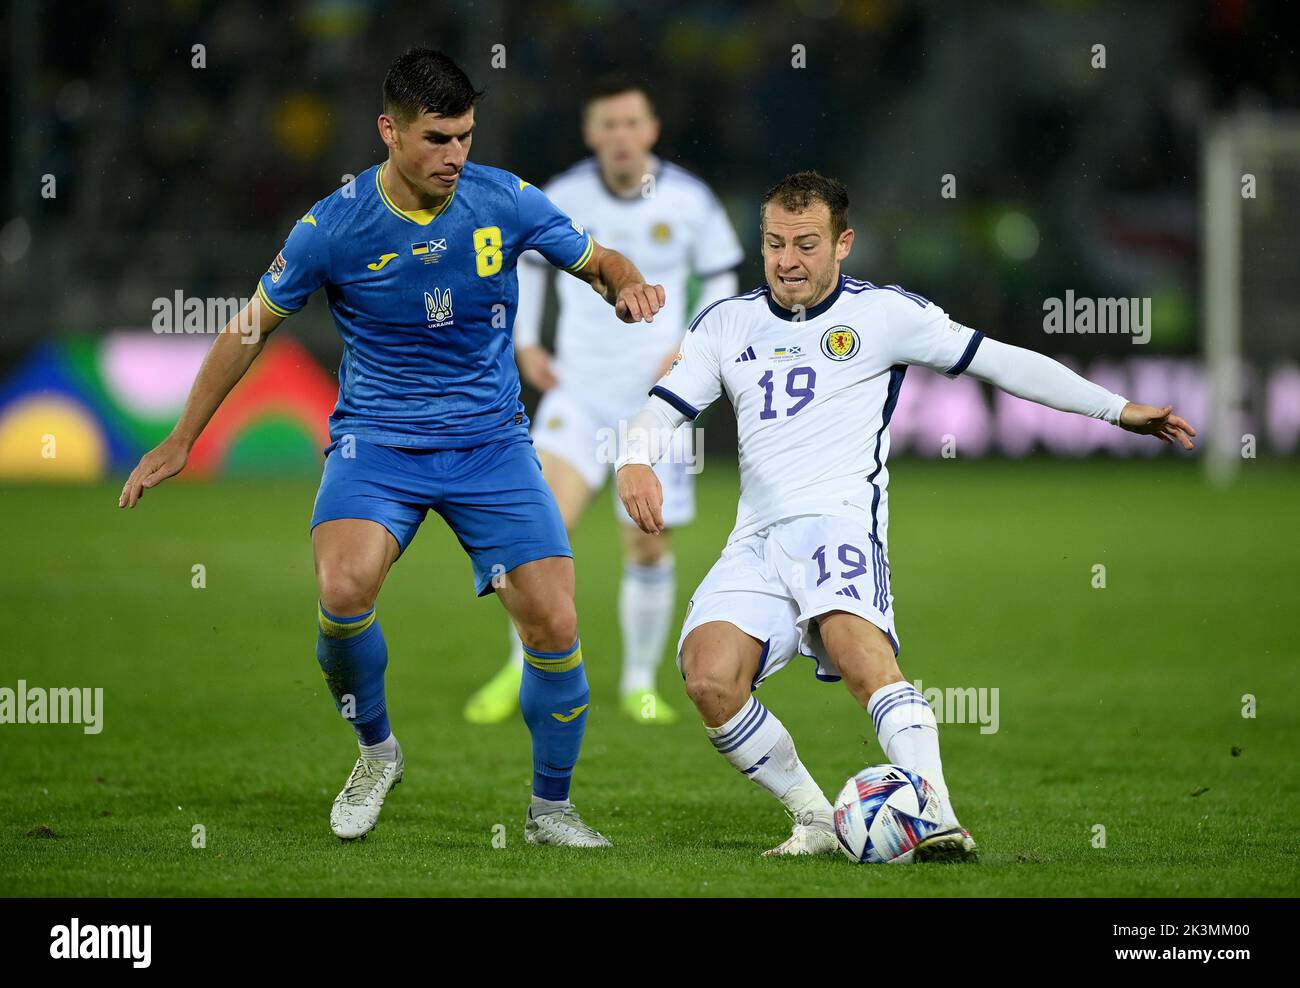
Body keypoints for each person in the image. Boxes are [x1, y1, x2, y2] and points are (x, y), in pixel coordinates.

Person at [119, 48, 666, 849]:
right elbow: (248, 329)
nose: (455, 156)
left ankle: (551, 810)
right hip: (377, 443)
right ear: (389, 130)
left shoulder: (504, 199)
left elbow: (597, 257)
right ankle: (377, 751)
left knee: (552, 619)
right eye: (438, 138)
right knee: (343, 591)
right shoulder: (331, 226)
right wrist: (182, 435)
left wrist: (627, 284)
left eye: (466, 137)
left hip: (490, 443)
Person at [615, 171, 1196, 858]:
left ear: (843, 244)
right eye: (774, 244)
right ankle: (816, 818)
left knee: (863, 659)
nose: (788, 261)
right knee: (708, 677)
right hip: (757, 538)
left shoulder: (885, 316)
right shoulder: (726, 323)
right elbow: (663, 407)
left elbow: (1000, 363)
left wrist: (1115, 409)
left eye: (806, 244)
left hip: (838, 526)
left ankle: (938, 817)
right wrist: (634, 459)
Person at [465, 75, 743, 727]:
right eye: (607, 125)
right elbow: (528, 266)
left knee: (645, 544)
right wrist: (526, 341)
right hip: (579, 392)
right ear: (592, 134)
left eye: (631, 123)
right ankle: (521, 665)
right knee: (537, 533)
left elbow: (725, 278)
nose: (620, 136)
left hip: (656, 404)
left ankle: (641, 681)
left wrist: (689, 345)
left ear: (651, 130)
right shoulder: (564, 195)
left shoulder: (690, 199)